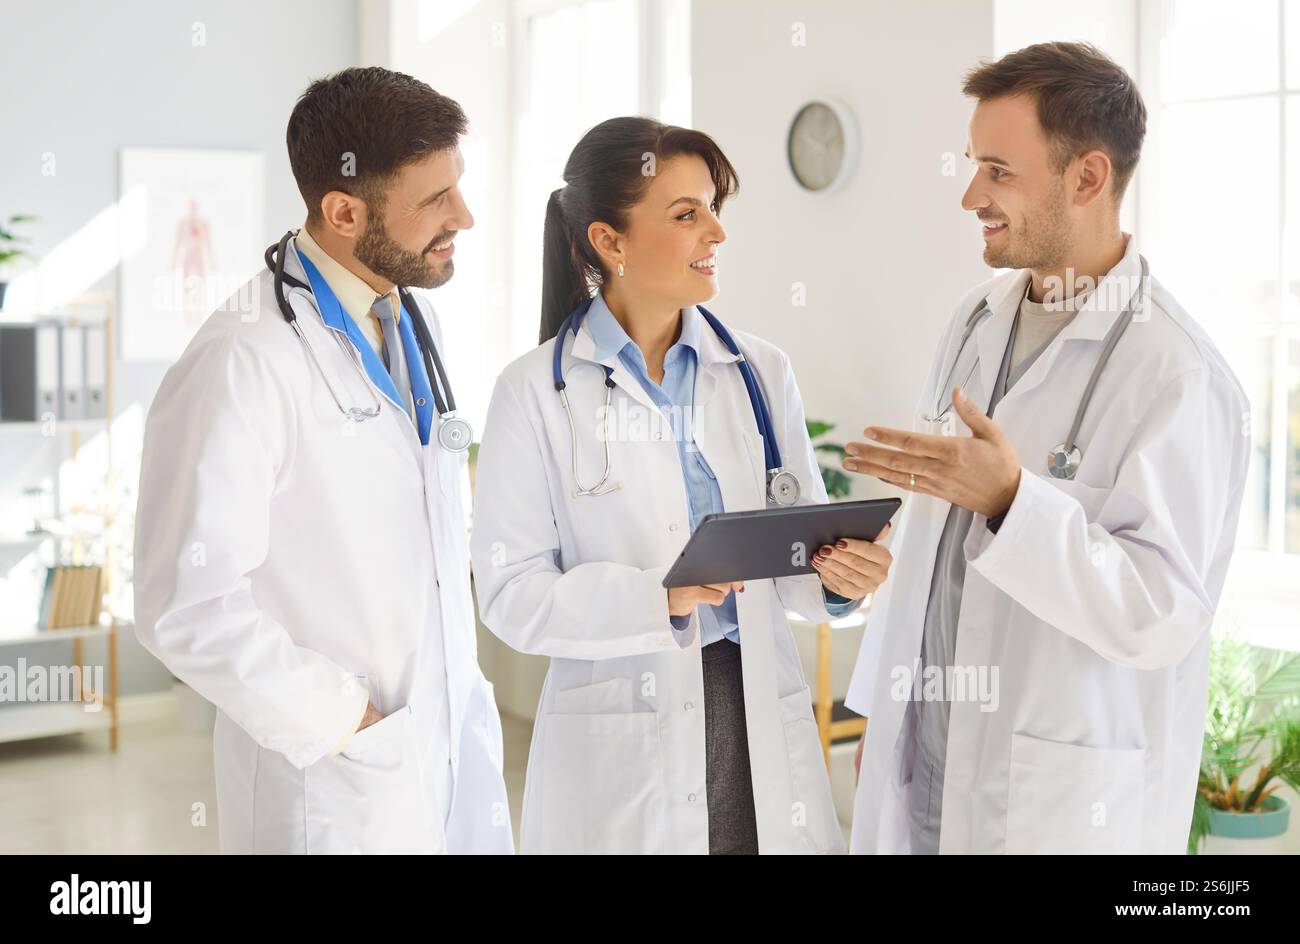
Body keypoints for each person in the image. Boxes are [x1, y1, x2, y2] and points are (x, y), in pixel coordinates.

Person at [842, 42, 1249, 854]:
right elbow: (944, 546)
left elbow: (1160, 615)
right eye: (973, 164)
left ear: (1088, 179)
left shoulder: (1178, 374)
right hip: (924, 768)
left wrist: (1010, 502)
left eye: (998, 170)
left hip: (1051, 804)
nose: (970, 195)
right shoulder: (976, 317)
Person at [470, 117, 892, 854]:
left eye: (714, 210)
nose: (716, 234)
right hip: (623, 732)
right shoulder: (534, 391)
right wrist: (654, 597)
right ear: (611, 241)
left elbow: (793, 567)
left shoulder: (760, 373)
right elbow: (509, 595)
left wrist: (839, 581)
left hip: (755, 711)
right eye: (687, 214)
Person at [134, 67, 512, 854]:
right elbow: (183, 602)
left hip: (438, 751)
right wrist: (341, 717)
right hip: (333, 783)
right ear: (344, 210)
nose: (464, 217)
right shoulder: (245, 356)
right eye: (435, 200)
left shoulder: (414, 319)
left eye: (459, 188)